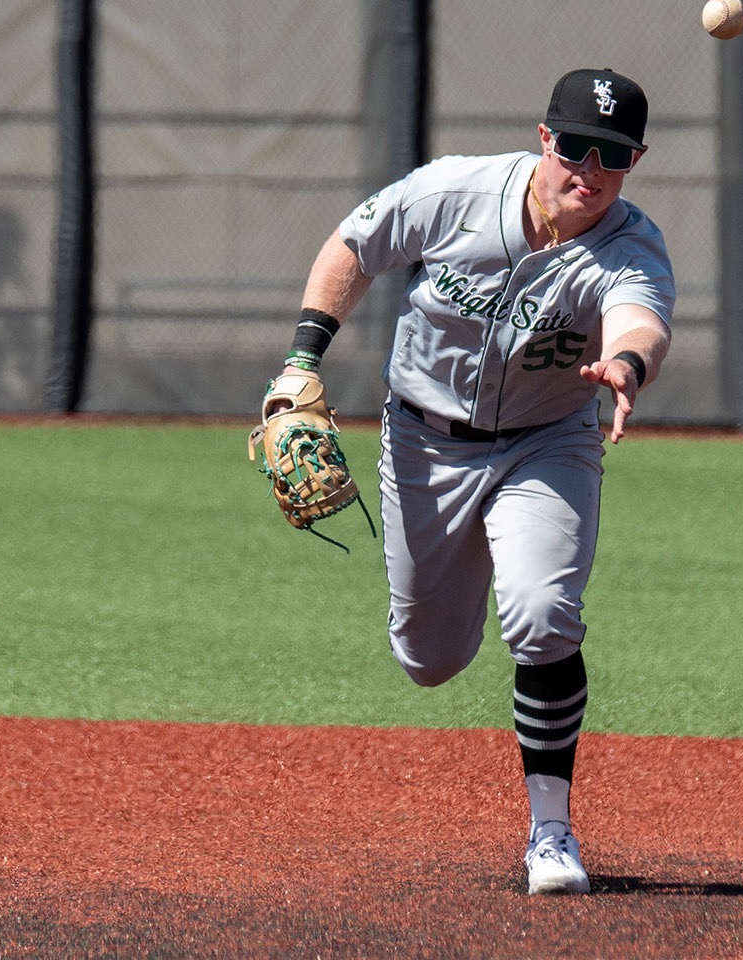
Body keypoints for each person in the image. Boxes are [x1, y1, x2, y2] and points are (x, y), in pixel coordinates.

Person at [269, 68, 674, 895]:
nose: (589, 172)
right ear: (545, 139)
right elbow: (354, 245)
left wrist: (628, 365)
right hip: (425, 443)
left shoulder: (628, 245)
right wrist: (300, 360)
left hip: (546, 444)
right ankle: (466, 566)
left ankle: (552, 833)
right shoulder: (455, 191)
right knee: (429, 659)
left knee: (542, 612)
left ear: (633, 164)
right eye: (577, 148)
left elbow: (641, 319)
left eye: (614, 157)